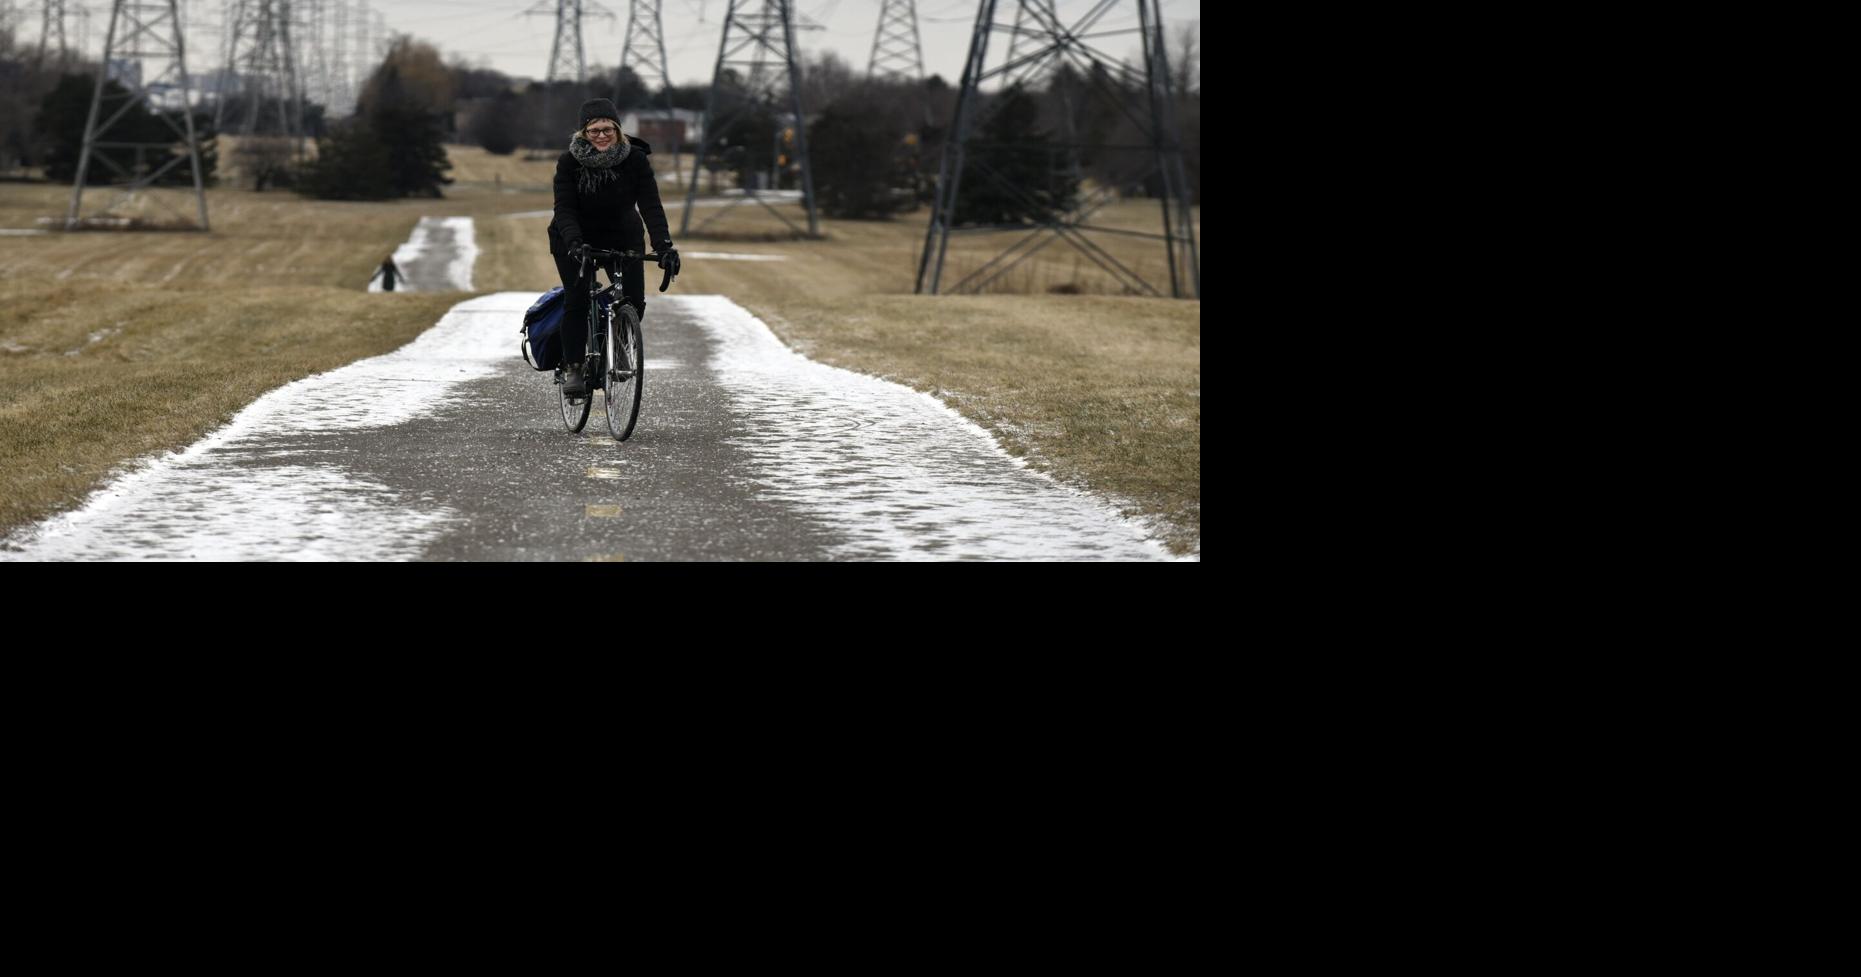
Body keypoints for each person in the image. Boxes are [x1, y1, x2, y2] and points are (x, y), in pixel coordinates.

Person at [550, 98, 681, 395]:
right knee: (578, 297)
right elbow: (564, 209)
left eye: (607, 129)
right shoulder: (569, 162)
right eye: (594, 130)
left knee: (634, 299)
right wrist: (573, 242)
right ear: (584, 132)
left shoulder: (634, 160)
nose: (601, 135)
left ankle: (619, 345)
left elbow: (651, 206)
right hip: (574, 238)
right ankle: (574, 368)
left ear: (618, 129)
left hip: (621, 235)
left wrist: (664, 246)